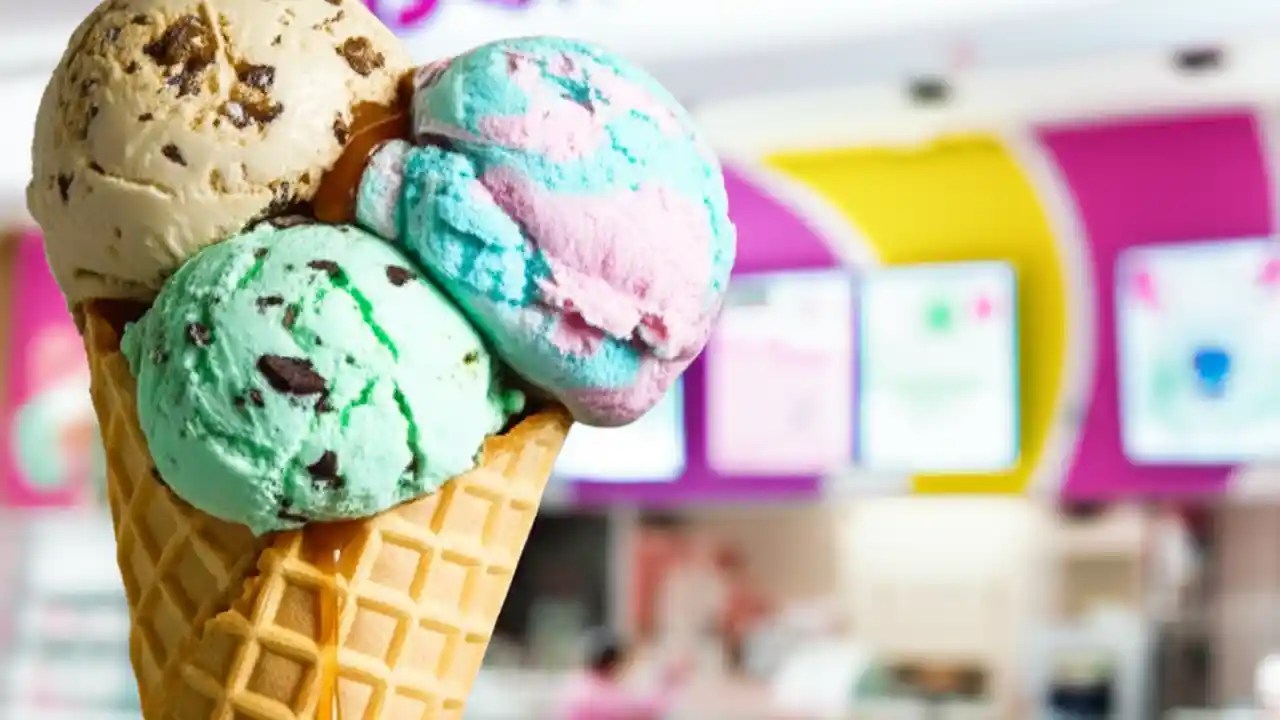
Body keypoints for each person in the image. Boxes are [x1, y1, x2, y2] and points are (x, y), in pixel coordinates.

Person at [556, 628, 688, 720]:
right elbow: (646, 711)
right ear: (614, 662)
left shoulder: (576, 687)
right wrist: (669, 681)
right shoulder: (605, 696)